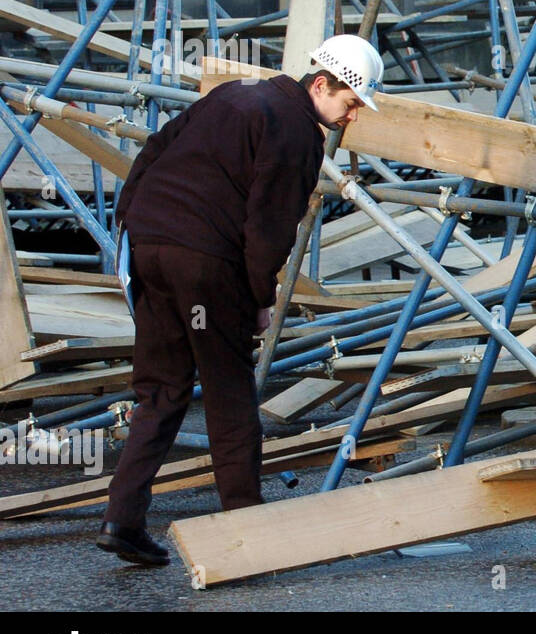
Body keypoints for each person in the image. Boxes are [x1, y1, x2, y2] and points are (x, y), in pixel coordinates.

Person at [95, 33, 383, 566]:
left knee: (159, 391)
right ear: (321, 84)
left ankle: (122, 519)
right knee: (230, 396)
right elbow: (268, 231)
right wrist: (259, 298)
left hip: (150, 246)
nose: (352, 118)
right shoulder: (298, 133)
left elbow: (152, 153)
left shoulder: (233, 95)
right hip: (206, 263)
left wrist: (129, 235)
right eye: (349, 104)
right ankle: (247, 536)